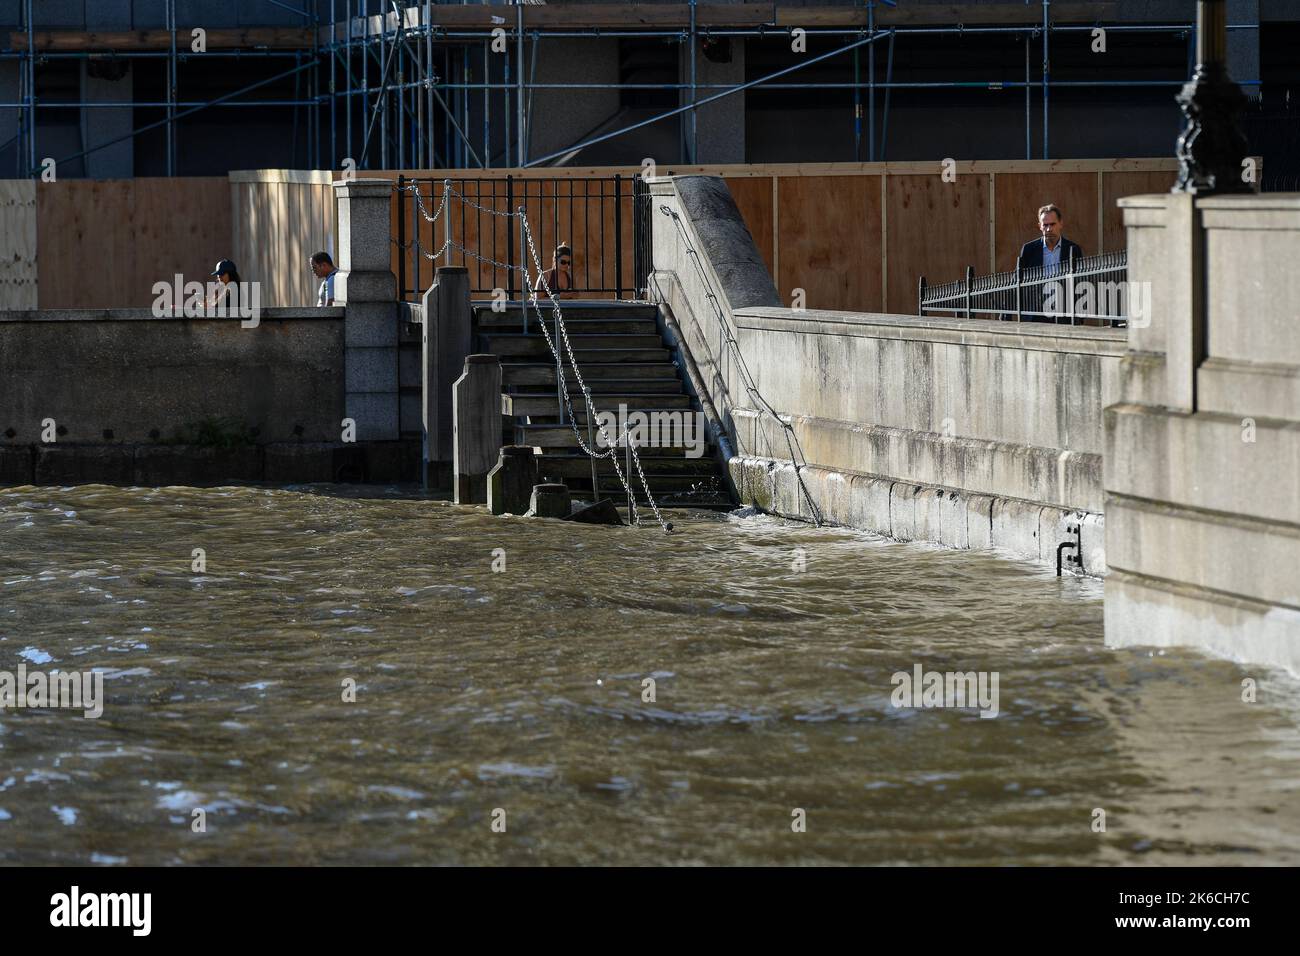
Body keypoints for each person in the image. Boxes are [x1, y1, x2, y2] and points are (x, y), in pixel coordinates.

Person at [1017, 205, 1083, 323]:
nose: (1049, 229)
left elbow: (1080, 283)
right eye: (1045, 225)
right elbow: (1017, 282)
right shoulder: (1029, 249)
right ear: (1039, 226)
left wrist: (1079, 316)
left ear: (1060, 224)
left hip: (1064, 313)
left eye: (1052, 224)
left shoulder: (1073, 249)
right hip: (1036, 314)